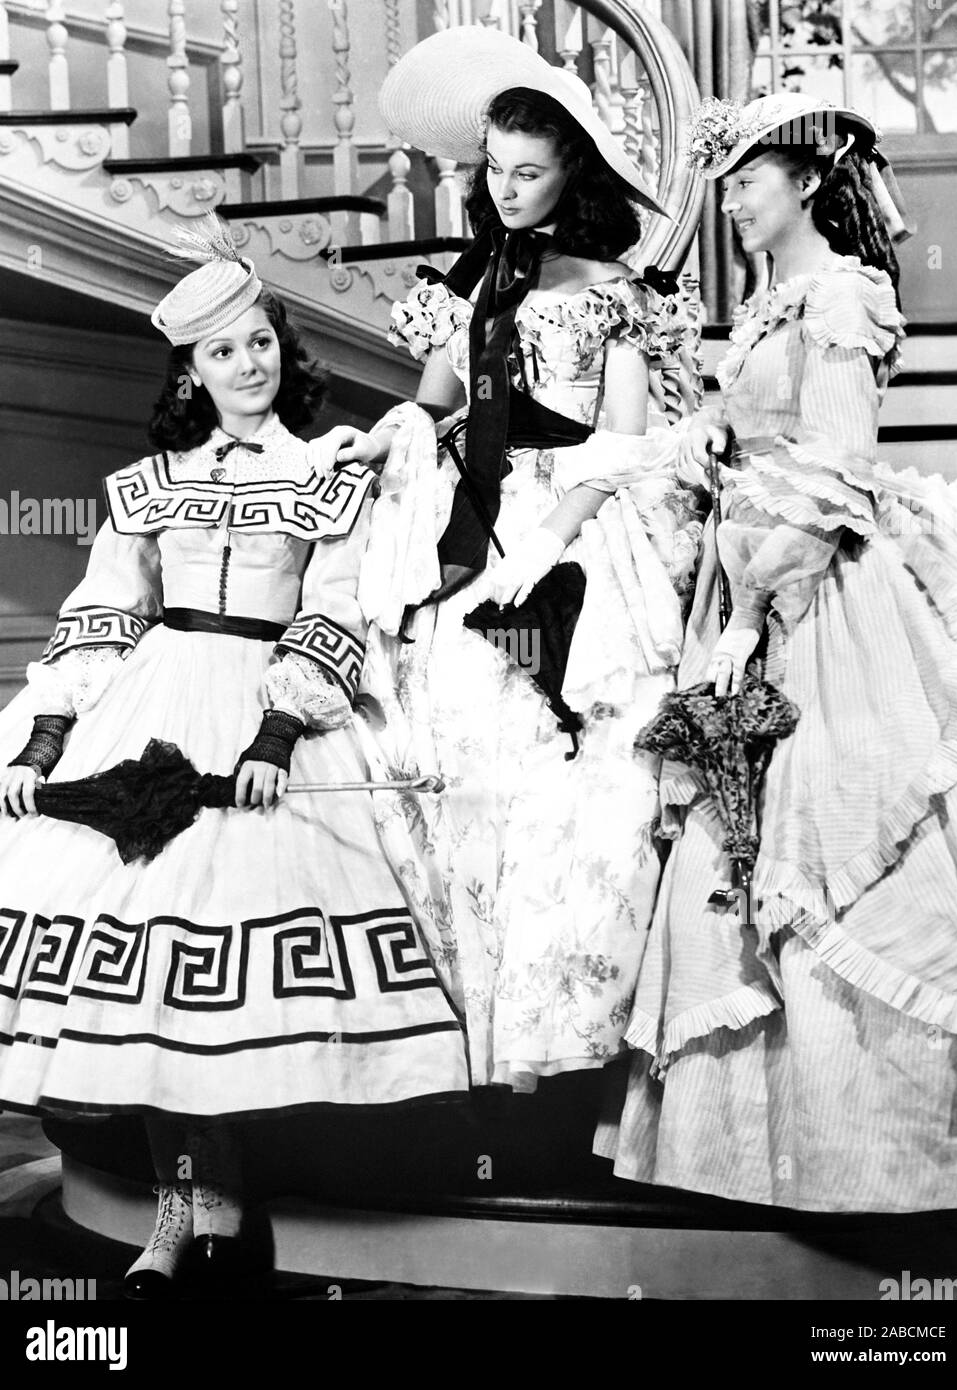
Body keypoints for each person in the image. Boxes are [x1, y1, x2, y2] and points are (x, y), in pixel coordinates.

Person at [0, 218, 468, 1295]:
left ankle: (222, 1196)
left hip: (264, 725)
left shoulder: (332, 475)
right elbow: (104, 614)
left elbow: (334, 614)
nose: (250, 366)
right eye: (223, 353)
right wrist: (48, 741)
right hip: (146, 719)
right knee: (144, 979)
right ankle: (172, 1210)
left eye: (261, 343)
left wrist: (278, 733)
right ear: (191, 374)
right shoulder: (146, 485)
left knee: (217, 978)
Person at [597, 92, 957, 1211]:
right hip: (748, 588)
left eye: (747, 181)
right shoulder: (773, 305)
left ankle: (888, 1160)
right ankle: (754, 1156)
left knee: (837, 831)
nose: (732, 203)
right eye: (725, 185)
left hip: (816, 601)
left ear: (807, 184)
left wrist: (746, 614)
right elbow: (771, 447)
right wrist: (710, 443)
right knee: (731, 845)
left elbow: (834, 473)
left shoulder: (844, 297)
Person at [337, 26, 706, 1093]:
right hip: (474, 518)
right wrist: (393, 433)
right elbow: (438, 401)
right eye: (493, 169)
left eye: (529, 173)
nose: (505, 190)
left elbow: (623, 447)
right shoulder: (478, 275)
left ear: (570, 174)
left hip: (579, 528)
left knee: (582, 780)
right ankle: (471, 1032)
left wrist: (545, 543)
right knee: (456, 755)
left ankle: (567, 1040)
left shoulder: (612, 293)